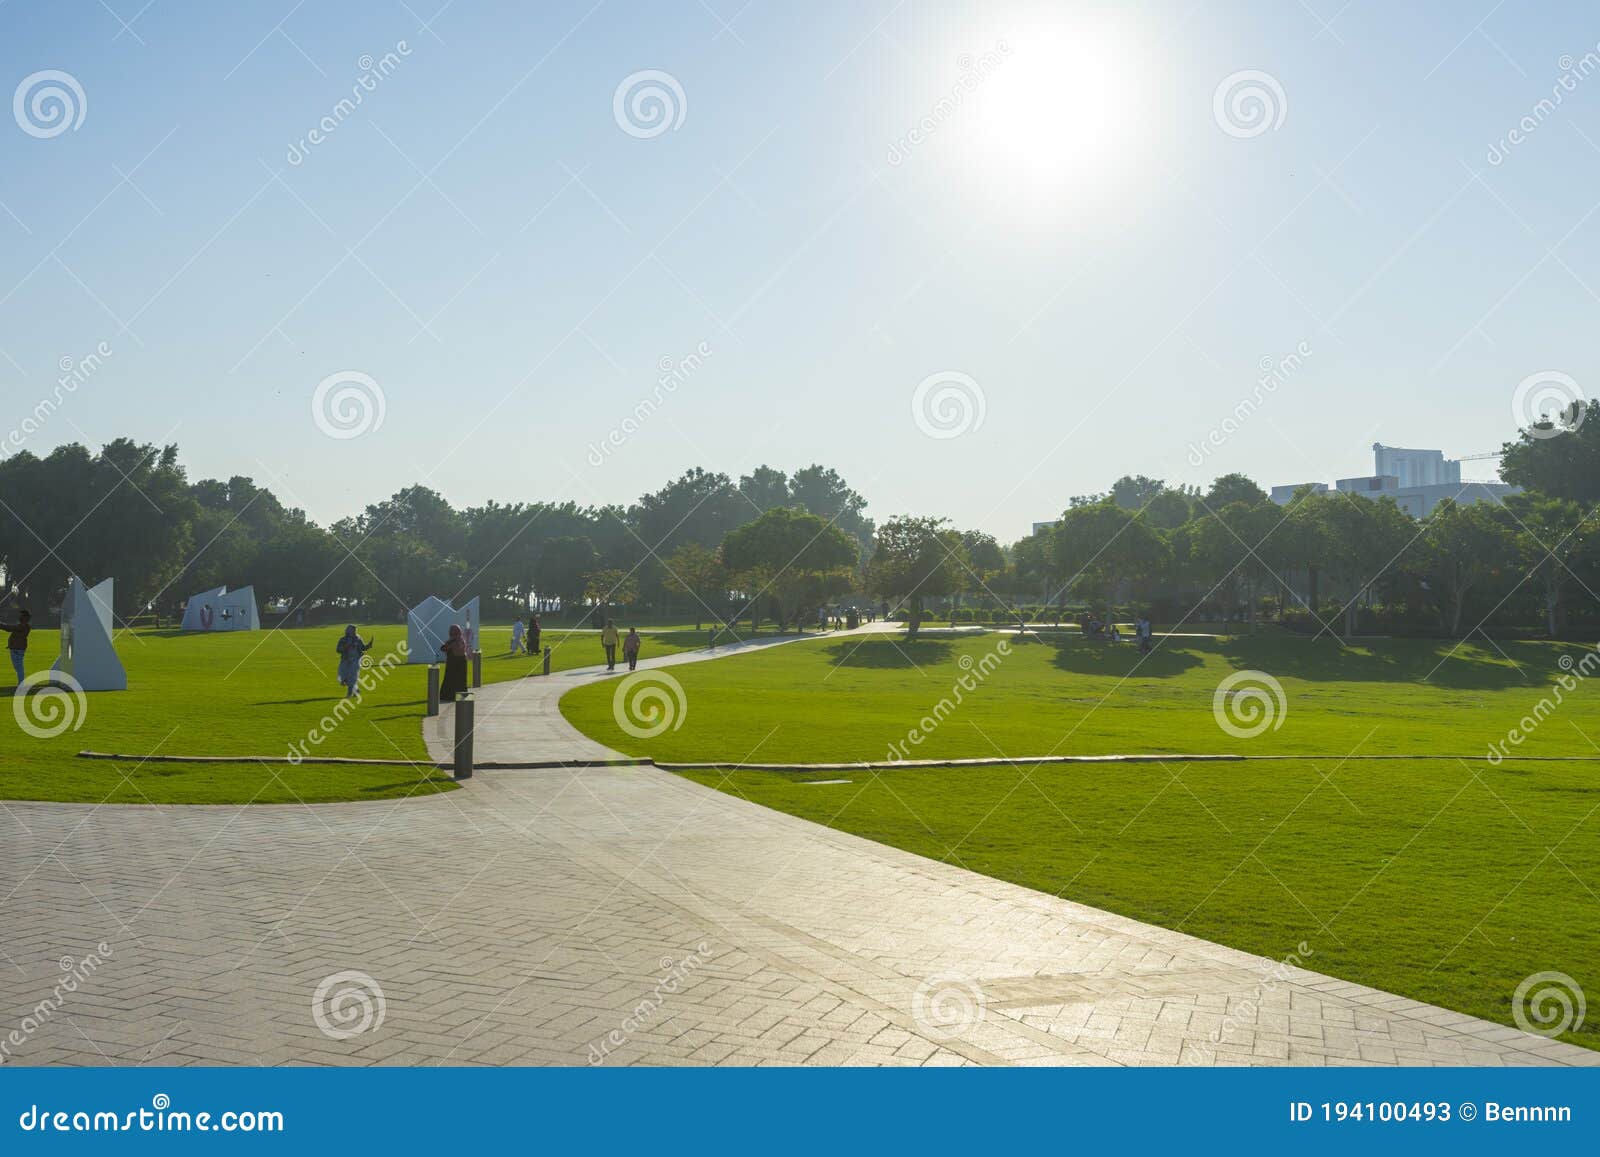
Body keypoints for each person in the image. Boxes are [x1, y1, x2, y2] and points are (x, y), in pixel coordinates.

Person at [334, 625, 372, 698]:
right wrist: (346, 647)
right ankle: (356, 689)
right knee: (342, 678)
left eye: (355, 630)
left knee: (352, 677)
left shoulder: (358, 639)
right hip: (345, 660)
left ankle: (349, 693)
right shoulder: (343, 640)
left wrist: (369, 645)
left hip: (356, 660)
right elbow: (338, 650)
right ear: (348, 631)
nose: (354, 632)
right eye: (352, 630)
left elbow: (363, 648)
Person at [438, 624, 469, 701]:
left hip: (453, 661)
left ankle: (448, 696)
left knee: (450, 678)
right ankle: (462, 695)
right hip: (462, 661)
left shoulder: (452, 640)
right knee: (461, 679)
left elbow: (444, 648)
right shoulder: (462, 639)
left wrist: (446, 644)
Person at [3, 609, 31, 685]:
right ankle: (21, 682)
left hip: (17, 650)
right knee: (18, 668)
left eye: (21, 615)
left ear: (24, 617)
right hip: (16, 649)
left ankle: (21, 683)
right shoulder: (24, 626)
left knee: (19, 668)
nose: (19, 616)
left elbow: (7, 628)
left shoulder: (23, 626)